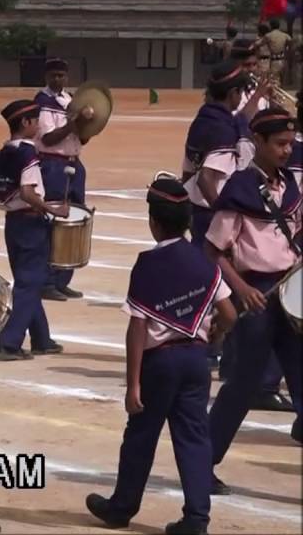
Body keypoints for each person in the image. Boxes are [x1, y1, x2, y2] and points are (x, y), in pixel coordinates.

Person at [85, 177, 236, 535]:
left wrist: (133, 384)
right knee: (194, 439)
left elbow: (137, 327)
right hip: (196, 360)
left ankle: (121, 508)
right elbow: (229, 313)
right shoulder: (203, 262)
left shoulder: (147, 264)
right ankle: (197, 517)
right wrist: (215, 335)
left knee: (141, 435)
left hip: (161, 363)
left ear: (154, 222)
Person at [204, 107, 301, 495]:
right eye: (280, 144)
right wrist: (241, 289)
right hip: (255, 294)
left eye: (290, 144)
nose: (287, 151)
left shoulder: (289, 184)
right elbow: (213, 251)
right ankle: (202, 463)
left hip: (289, 290)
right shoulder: (239, 188)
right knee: (243, 384)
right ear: (257, 142)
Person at [0, 99, 67, 361]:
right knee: (29, 283)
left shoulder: (4, 152)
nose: (39, 126)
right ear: (25, 122)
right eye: (36, 120)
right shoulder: (28, 153)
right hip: (31, 223)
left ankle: (41, 339)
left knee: (28, 281)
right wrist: (52, 209)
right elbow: (28, 192)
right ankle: (9, 343)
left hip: (13, 223)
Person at [34, 58, 93, 301]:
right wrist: (73, 122)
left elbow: (83, 138)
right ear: (46, 77)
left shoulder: (71, 101)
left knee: (74, 219)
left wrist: (86, 124)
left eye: (62, 75)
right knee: (53, 221)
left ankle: (62, 279)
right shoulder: (42, 102)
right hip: (53, 164)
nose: (58, 79)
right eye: (54, 75)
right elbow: (48, 139)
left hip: (74, 163)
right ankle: (46, 281)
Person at [183, 61, 251, 246]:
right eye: (241, 92)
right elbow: (205, 178)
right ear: (233, 93)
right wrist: (222, 216)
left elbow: (188, 173)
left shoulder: (202, 121)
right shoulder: (223, 131)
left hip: (196, 211)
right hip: (212, 213)